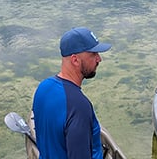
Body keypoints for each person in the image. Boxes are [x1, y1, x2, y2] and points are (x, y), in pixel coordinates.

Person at [32, 27, 112, 159]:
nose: (99, 59)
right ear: (75, 60)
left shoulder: (43, 87)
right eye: (93, 54)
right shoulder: (79, 107)